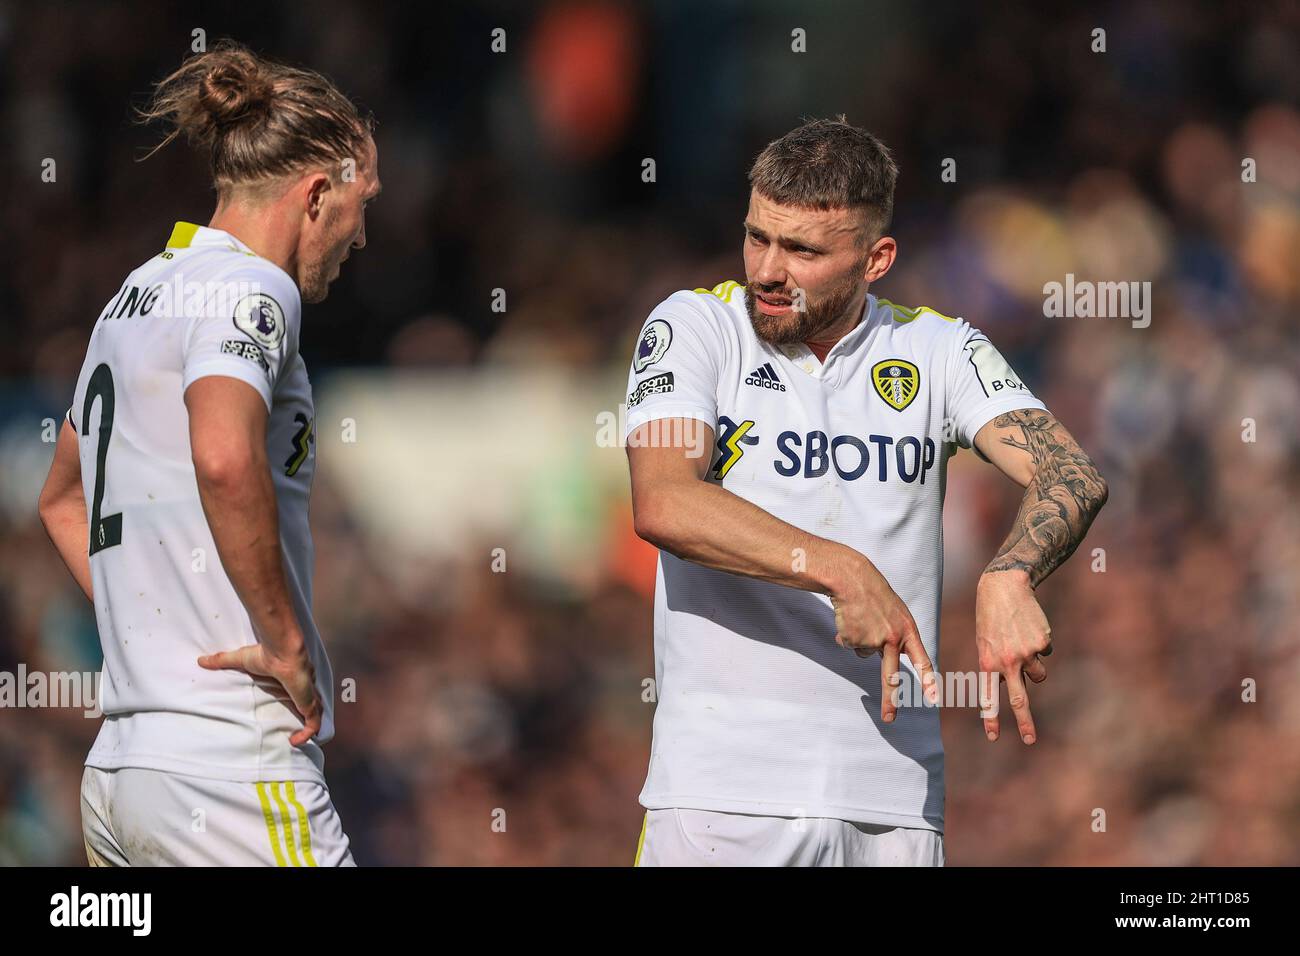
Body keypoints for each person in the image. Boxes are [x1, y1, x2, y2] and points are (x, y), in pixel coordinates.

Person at [624, 117, 1107, 866]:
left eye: (804, 251)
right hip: (722, 797)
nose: (768, 270)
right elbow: (663, 500)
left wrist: (1012, 572)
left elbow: (1070, 474)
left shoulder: (939, 349)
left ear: (876, 258)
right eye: (758, 238)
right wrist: (837, 566)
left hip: (895, 806)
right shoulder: (695, 327)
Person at [37, 40, 381, 866]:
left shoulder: (133, 295)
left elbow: (60, 499)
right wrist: (286, 643)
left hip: (122, 771)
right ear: (316, 192)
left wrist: (149, 622)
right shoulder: (251, 289)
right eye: (364, 200)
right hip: (229, 765)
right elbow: (223, 457)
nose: (362, 236)